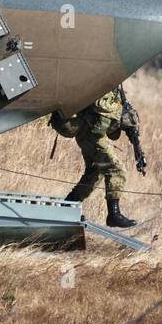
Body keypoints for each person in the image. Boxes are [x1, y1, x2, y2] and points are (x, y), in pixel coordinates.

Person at [51, 90, 138, 229]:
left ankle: (67, 207)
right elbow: (103, 113)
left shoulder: (108, 89)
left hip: (89, 134)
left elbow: (109, 127)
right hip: (91, 135)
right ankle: (113, 215)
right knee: (116, 170)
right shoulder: (101, 88)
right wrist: (120, 114)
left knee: (95, 172)